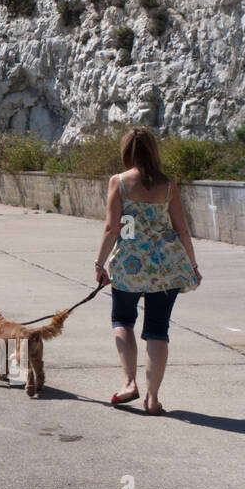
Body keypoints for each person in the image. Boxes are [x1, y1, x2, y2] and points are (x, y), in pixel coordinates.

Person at [95, 127, 201, 416]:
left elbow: (111, 227)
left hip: (129, 266)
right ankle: (153, 399)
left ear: (126, 151)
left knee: (122, 319)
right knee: (157, 330)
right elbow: (182, 228)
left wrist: (99, 263)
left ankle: (129, 383)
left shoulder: (119, 182)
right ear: (154, 151)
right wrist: (192, 265)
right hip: (166, 267)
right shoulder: (168, 185)